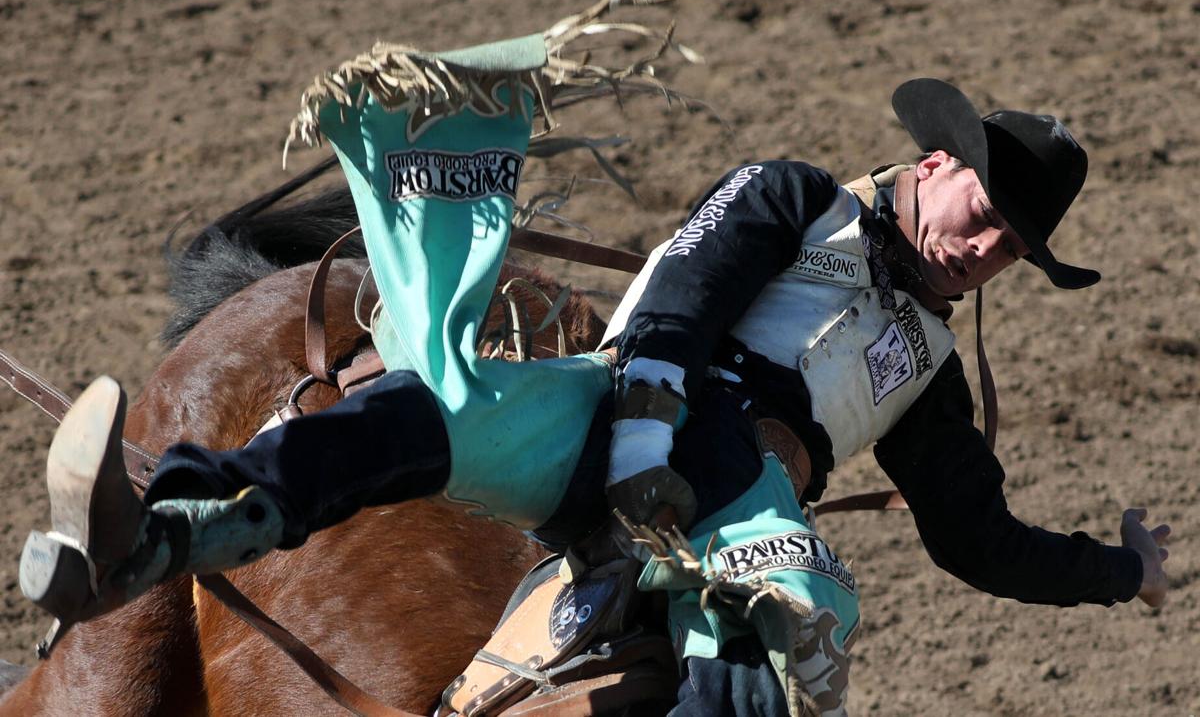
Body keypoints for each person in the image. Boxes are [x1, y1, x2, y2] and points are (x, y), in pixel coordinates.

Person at [19, 76, 1171, 717]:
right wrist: (649, 428)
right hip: (615, 416)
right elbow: (683, 285)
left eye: (1013, 248)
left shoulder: (929, 374)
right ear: (934, 168)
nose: (987, 250)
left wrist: (1117, 569)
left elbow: (978, 538)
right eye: (987, 216)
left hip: (724, 509)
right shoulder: (797, 199)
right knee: (422, 417)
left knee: (776, 631)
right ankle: (167, 530)